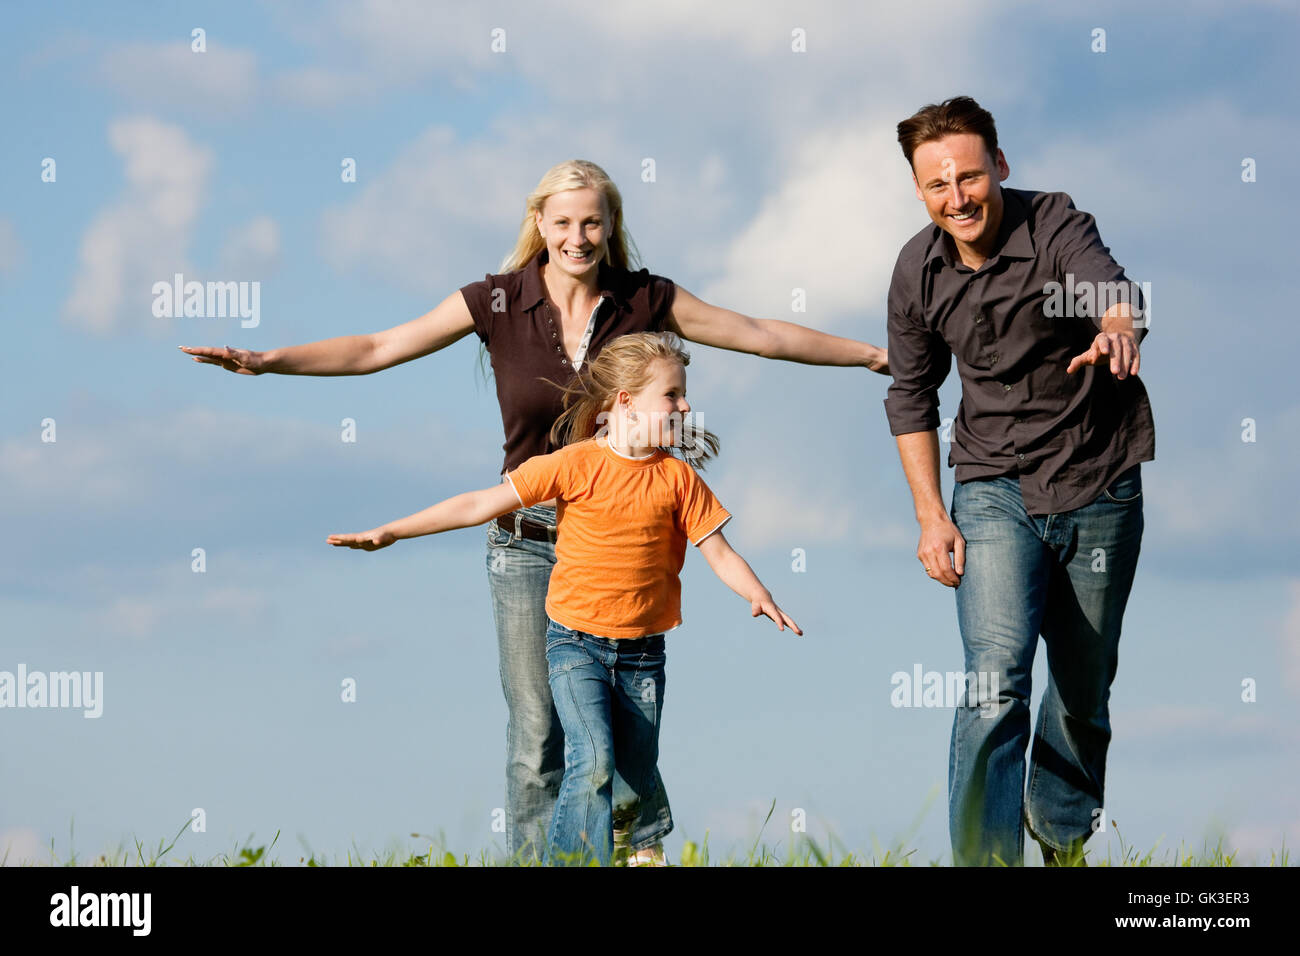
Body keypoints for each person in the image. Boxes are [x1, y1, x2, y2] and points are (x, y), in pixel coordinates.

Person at [180, 159, 887, 864]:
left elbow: (758, 333)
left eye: (593, 222)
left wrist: (865, 354)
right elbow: (377, 347)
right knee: (537, 739)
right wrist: (267, 360)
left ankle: (626, 850)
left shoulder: (646, 299)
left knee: (622, 739)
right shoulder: (496, 301)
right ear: (540, 226)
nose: (578, 237)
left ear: (611, 227)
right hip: (526, 543)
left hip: (616, 546)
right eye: (564, 223)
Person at [327, 331, 800, 866]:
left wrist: (758, 593)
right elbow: (481, 503)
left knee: (632, 778)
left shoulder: (677, 479)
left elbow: (719, 552)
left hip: (643, 653)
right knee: (593, 760)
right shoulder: (575, 464)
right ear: (626, 401)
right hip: (575, 645)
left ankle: (633, 837)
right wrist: (392, 531)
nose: (685, 405)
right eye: (672, 394)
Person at [882, 97, 1155, 866]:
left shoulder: (1056, 222)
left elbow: (1113, 293)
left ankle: (1062, 836)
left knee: (1082, 686)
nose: (957, 197)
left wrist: (1116, 327)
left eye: (970, 176)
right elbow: (910, 395)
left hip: (1097, 478)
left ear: (999, 166)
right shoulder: (917, 270)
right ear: (918, 189)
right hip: (994, 486)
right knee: (994, 681)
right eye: (937, 185)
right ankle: (984, 859)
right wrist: (932, 516)